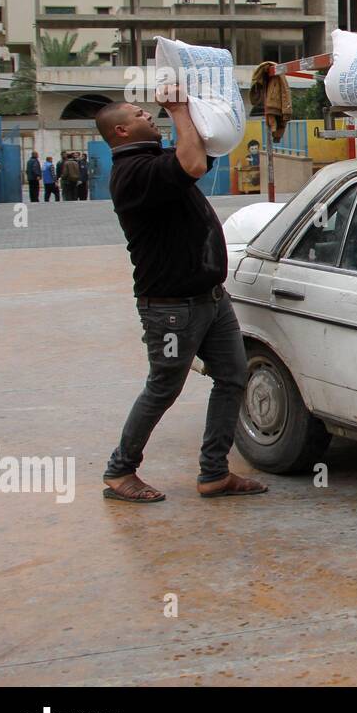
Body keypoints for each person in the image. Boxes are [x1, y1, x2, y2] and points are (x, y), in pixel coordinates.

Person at [94, 91, 266, 503]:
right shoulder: (132, 172)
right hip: (171, 308)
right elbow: (191, 163)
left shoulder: (154, 162)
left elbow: (198, 155)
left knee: (232, 376)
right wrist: (178, 110)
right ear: (121, 130)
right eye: (140, 114)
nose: (149, 116)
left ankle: (214, 473)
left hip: (209, 298)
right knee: (163, 387)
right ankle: (120, 471)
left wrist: (193, 109)